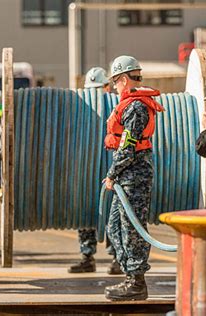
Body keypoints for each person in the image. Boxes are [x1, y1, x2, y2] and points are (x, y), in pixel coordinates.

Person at [103, 55, 164, 301]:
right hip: (126, 174)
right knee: (114, 225)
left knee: (132, 228)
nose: (115, 88)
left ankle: (137, 282)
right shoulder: (130, 105)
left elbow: (127, 147)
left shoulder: (136, 108)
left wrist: (111, 175)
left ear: (125, 79)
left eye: (116, 82)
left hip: (135, 174)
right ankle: (129, 275)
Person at [69, 67, 122, 275]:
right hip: (85, 169)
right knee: (85, 212)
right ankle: (87, 256)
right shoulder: (80, 111)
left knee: (112, 214)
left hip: (109, 169)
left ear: (107, 87)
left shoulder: (117, 108)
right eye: (90, 90)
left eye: (98, 89)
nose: (94, 94)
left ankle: (117, 257)